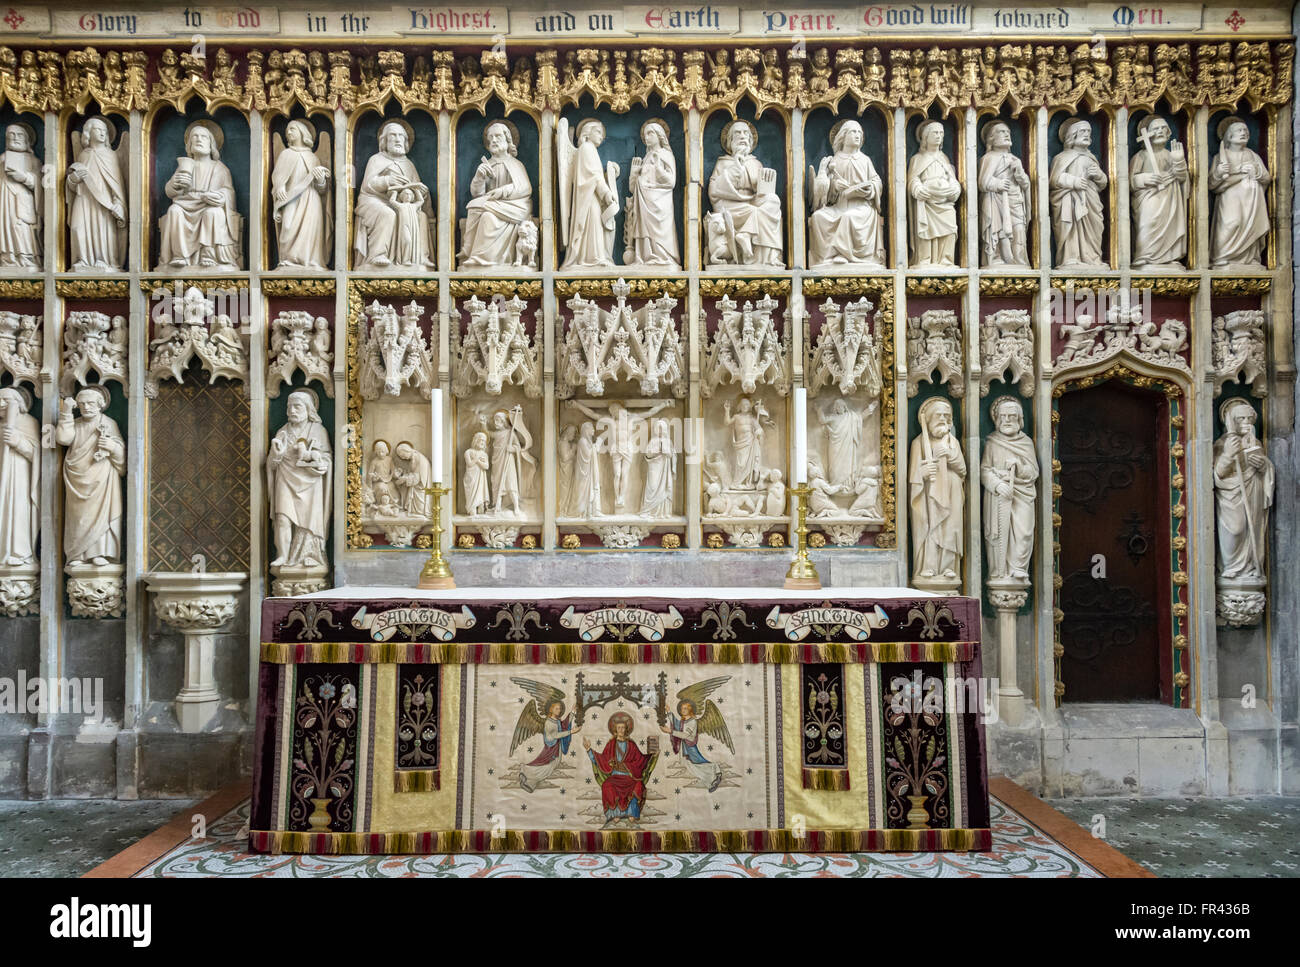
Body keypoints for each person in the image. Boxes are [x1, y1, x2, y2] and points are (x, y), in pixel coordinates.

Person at [56, 385, 125, 566]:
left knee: (101, 514)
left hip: (101, 476)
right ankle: (77, 554)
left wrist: (111, 446)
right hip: (77, 477)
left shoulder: (109, 423)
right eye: (82, 404)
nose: (86, 407)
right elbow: (63, 438)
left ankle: (100, 552)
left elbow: (123, 458)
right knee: (79, 516)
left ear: (100, 404)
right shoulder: (75, 423)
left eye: (91, 403)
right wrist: (66, 413)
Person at [157, 120, 241, 270]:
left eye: (203, 137)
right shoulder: (184, 166)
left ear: (211, 145)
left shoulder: (220, 168)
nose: (198, 139)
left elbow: (228, 192)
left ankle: (208, 254)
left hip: (207, 205)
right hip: (185, 205)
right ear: (189, 145)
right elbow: (170, 191)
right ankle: (180, 255)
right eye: (194, 137)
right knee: (174, 210)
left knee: (213, 213)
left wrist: (220, 197)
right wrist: (175, 184)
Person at [353, 120, 434, 269]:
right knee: (388, 214)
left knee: (421, 217)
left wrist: (422, 192)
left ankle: (421, 258)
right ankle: (377, 254)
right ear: (384, 140)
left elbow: (416, 190)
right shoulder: (376, 159)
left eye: (401, 136)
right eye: (393, 135)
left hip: (402, 203)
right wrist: (387, 180)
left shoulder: (408, 164)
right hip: (374, 200)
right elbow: (368, 185)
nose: (397, 139)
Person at [266, 389, 332, 568]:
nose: (292, 411)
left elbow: (326, 458)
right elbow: (271, 463)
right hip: (285, 478)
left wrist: (320, 462)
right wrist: (276, 454)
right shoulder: (282, 432)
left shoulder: (318, 430)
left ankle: (309, 554)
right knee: (282, 518)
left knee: (308, 521)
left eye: (297, 407)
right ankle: (283, 555)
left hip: (310, 482)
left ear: (308, 409)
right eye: (289, 407)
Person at [808, 119, 884, 268]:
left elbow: (877, 182)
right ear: (843, 136)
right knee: (818, 217)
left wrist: (870, 189)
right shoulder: (835, 160)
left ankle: (842, 254)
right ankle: (827, 258)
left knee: (848, 217)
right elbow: (826, 195)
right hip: (839, 205)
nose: (857, 135)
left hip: (862, 207)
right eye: (853, 132)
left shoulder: (865, 160)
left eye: (859, 133)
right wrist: (835, 186)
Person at [706, 120, 783, 266]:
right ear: (730, 140)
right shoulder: (723, 162)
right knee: (754, 211)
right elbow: (713, 190)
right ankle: (746, 238)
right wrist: (736, 168)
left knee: (773, 200)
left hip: (751, 201)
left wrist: (765, 184)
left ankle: (764, 253)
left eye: (745, 133)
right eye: (737, 133)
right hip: (729, 205)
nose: (742, 136)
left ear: (750, 139)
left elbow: (761, 193)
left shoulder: (756, 163)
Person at [1213, 398, 1274, 581]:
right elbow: (1217, 474)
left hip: (1252, 490)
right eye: (1241, 419)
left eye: (1249, 419)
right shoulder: (1222, 443)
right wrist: (1228, 455)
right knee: (1235, 529)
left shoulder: (1255, 443)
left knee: (1251, 527)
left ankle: (1250, 567)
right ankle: (1232, 566)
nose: (1246, 423)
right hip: (1231, 494)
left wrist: (1264, 467)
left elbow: (1266, 470)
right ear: (1230, 420)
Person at [459, 120, 533, 269]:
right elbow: (477, 194)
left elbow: (525, 188)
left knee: (487, 217)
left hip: (515, 206)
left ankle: (479, 259)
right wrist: (479, 177)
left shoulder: (516, 164)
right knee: (476, 207)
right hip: (492, 204)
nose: (493, 140)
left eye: (498, 136)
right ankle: (469, 251)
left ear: (507, 139)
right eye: (490, 137)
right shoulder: (487, 165)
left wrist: (502, 191)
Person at [980, 397, 1038, 581]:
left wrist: (1019, 467)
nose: (1007, 420)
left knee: (1024, 531)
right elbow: (984, 470)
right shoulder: (992, 442)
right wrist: (998, 484)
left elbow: (1034, 471)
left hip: (1023, 494)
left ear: (1020, 419)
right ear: (997, 419)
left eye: (1012, 416)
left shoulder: (1026, 442)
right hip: (999, 496)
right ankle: (1000, 572)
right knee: (998, 533)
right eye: (1003, 416)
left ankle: (1018, 567)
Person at [909, 397, 965, 582]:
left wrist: (950, 456)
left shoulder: (953, 442)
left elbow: (963, 469)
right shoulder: (919, 443)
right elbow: (913, 477)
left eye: (946, 416)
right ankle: (929, 566)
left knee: (951, 527)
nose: (942, 419)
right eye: (938, 415)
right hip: (930, 492)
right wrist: (922, 472)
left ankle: (948, 567)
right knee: (931, 526)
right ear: (929, 419)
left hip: (953, 490)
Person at [1208, 117, 1270, 268]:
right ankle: (1223, 255)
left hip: (1252, 203)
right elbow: (1212, 184)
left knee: (1249, 227)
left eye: (1246, 131)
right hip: (1230, 199)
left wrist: (1256, 172)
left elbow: (1266, 178)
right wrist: (1219, 172)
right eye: (1239, 130)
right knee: (1231, 223)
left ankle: (1250, 259)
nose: (1244, 133)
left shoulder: (1252, 155)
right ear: (1229, 136)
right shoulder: (1221, 156)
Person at [67, 117, 126, 271]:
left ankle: (103, 259)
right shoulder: (83, 155)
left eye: (104, 131)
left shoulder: (110, 155)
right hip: (83, 198)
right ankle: (83, 259)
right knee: (76, 227)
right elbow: (72, 186)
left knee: (102, 228)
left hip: (103, 200)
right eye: (98, 129)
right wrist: (73, 179)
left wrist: (118, 203)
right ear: (88, 132)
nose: (102, 133)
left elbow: (116, 183)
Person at [270, 119, 331, 270]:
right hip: (291, 198)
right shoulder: (286, 154)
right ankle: (288, 259)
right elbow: (277, 176)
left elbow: (322, 190)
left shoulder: (313, 158)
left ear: (303, 133)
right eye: (287, 131)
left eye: (293, 129)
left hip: (311, 199)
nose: (289, 133)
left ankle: (311, 260)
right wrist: (279, 187)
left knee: (310, 231)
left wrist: (321, 179)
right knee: (288, 226)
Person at [1130, 115, 1189, 268]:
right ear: (1147, 134)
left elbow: (1182, 178)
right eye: (1156, 128)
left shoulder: (1170, 155)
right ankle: (1145, 255)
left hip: (1170, 199)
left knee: (1170, 227)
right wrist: (1144, 178)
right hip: (1149, 199)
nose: (1161, 131)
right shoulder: (1141, 156)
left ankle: (1169, 257)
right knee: (1149, 224)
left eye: (1164, 128)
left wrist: (1179, 160)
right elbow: (1130, 181)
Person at [1049, 118, 1108, 269]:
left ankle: (1092, 258)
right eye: (1082, 131)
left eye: (1089, 131)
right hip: (1070, 201)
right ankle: (1070, 257)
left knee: (1095, 227)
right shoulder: (1061, 158)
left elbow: (1103, 184)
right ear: (1071, 135)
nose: (1087, 134)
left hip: (1090, 201)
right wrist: (1073, 181)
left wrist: (1099, 175)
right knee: (1071, 227)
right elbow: (1054, 180)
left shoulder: (1091, 158)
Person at [558, 118, 617, 268]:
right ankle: (592, 259)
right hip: (588, 197)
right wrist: (605, 193)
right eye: (598, 132)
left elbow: (595, 174)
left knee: (595, 224)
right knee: (592, 224)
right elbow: (592, 175)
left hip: (591, 194)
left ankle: (592, 257)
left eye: (602, 134)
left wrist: (610, 174)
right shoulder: (586, 148)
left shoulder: (590, 149)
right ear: (587, 133)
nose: (601, 136)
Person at [623, 119, 680, 267]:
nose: (647, 137)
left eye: (650, 133)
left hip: (660, 202)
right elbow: (632, 188)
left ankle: (663, 257)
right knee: (643, 230)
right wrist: (634, 174)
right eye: (645, 134)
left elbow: (671, 182)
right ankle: (643, 258)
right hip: (643, 201)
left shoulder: (666, 155)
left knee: (660, 233)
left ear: (660, 136)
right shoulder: (645, 158)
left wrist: (659, 169)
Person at [907, 120, 961, 267]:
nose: (939, 136)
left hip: (944, 201)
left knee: (950, 226)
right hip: (927, 200)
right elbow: (913, 179)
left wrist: (955, 188)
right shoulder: (917, 159)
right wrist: (917, 188)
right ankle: (925, 259)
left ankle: (946, 259)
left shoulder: (944, 158)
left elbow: (953, 179)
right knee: (925, 228)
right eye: (935, 133)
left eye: (941, 133)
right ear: (925, 137)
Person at [584, 711, 650, 827]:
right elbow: (602, 759)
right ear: (615, 729)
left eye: (623, 728)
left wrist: (652, 756)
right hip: (615, 776)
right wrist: (589, 750)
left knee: (638, 785)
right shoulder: (611, 744)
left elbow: (640, 760)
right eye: (618, 728)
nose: (620, 730)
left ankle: (631, 813)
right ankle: (616, 813)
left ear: (626, 729)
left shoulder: (631, 745)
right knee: (607, 785)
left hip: (629, 777)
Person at [978, 121, 1031, 267]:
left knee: (1018, 230)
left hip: (1015, 202)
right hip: (996, 201)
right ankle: (996, 257)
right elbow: (983, 182)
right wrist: (997, 184)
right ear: (991, 139)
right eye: (1001, 132)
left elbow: (1026, 184)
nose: (1007, 134)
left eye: (1008, 132)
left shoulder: (1016, 160)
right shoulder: (988, 158)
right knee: (998, 229)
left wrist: (1019, 173)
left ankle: (1018, 261)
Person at [0, 386, 39, 566]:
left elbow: (38, 453)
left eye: (6, 400)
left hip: (19, 476)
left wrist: (18, 441)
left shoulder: (28, 422)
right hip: (2, 471)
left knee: (18, 509)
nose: (0, 404)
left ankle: (20, 552)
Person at [0, 123, 41, 269]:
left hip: (24, 200)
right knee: (7, 226)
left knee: (21, 227)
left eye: (19, 135)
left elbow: (40, 183)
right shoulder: (2, 159)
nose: (15, 138)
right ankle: (8, 258)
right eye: (11, 134)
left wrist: (23, 177)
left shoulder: (33, 160)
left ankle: (26, 257)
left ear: (27, 140)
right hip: (5, 201)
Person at [519, 699, 581, 793]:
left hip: (556, 749)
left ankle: (529, 781)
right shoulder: (549, 722)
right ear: (551, 709)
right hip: (550, 750)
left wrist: (572, 712)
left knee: (549, 767)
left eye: (560, 709)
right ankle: (526, 774)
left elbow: (564, 725)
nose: (559, 711)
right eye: (557, 709)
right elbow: (554, 736)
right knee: (546, 767)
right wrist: (571, 731)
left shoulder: (556, 720)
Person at [660, 700, 722, 792]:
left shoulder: (692, 722)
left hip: (690, 748)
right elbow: (676, 724)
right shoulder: (683, 721)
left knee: (698, 763)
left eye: (685, 708)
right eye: (682, 708)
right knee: (692, 767)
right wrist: (668, 711)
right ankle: (711, 781)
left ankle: (716, 770)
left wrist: (670, 731)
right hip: (686, 749)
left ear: (690, 709)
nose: (683, 710)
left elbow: (686, 735)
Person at [484, 406, 534, 516]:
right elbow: (489, 433)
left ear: (504, 422)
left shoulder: (510, 433)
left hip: (508, 461)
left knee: (511, 483)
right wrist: (483, 425)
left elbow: (518, 446)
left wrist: (512, 449)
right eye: (494, 420)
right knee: (496, 483)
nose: (495, 422)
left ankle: (516, 507)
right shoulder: (497, 434)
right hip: (497, 462)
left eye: (498, 420)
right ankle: (497, 506)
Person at [724, 397, 765, 489]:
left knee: (750, 464)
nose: (745, 406)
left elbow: (759, 429)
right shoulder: (736, 417)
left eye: (747, 404)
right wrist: (727, 410)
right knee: (740, 464)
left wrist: (758, 431)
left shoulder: (752, 418)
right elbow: (727, 422)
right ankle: (737, 483)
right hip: (740, 444)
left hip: (750, 442)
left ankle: (748, 482)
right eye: (743, 404)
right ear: (739, 406)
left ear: (749, 406)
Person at [639, 419, 676, 518]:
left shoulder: (668, 441)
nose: (659, 431)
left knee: (664, 488)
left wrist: (667, 452)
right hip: (654, 467)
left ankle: (662, 512)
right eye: (658, 428)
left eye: (661, 428)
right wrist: (657, 451)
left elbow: (671, 454)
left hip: (664, 468)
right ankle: (648, 511)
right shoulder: (653, 441)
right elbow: (647, 454)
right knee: (652, 486)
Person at [571, 421, 602, 518]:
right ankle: (584, 511)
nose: (593, 430)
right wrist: (596, 445)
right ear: (586, 430)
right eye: (592, 428)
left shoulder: (587, 441)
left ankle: (592, 511)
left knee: (593, 488)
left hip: (588, 471)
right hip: (584, 473)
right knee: (586, 490)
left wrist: (594, 446)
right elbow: (588, 454)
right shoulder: (582, 441)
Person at [393, 441, 431, 517]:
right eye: (401, 457)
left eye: (403, 455)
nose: (403, 458)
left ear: (407, 450)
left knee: (420, 507)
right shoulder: (414, 458)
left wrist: (404, 479)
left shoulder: (419, 458)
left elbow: (418, 477)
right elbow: (412, 472)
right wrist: (403, 474)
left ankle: (419, 513)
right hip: (416, 485)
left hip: (420, 487)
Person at [462, 430, 490, 516]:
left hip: (480, 479)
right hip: (471, 478)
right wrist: (477, 458)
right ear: (476, 440)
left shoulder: (484, 454)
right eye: (481, 440)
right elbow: (469, 464)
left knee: (480, 500)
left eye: (484, 441)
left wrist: (477, 460)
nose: (482, 442)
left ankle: (481, 510)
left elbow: (486, 466)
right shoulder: (468, 452)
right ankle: (472, 510)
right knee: (472, 503)